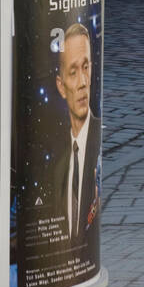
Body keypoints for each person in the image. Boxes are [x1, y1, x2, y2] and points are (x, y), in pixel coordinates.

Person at [52, 22, 101, 255]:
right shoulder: (59, 165)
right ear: (61, 87)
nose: (82, 82)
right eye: (73, 72)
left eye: (86, 67)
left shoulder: (98, 144)